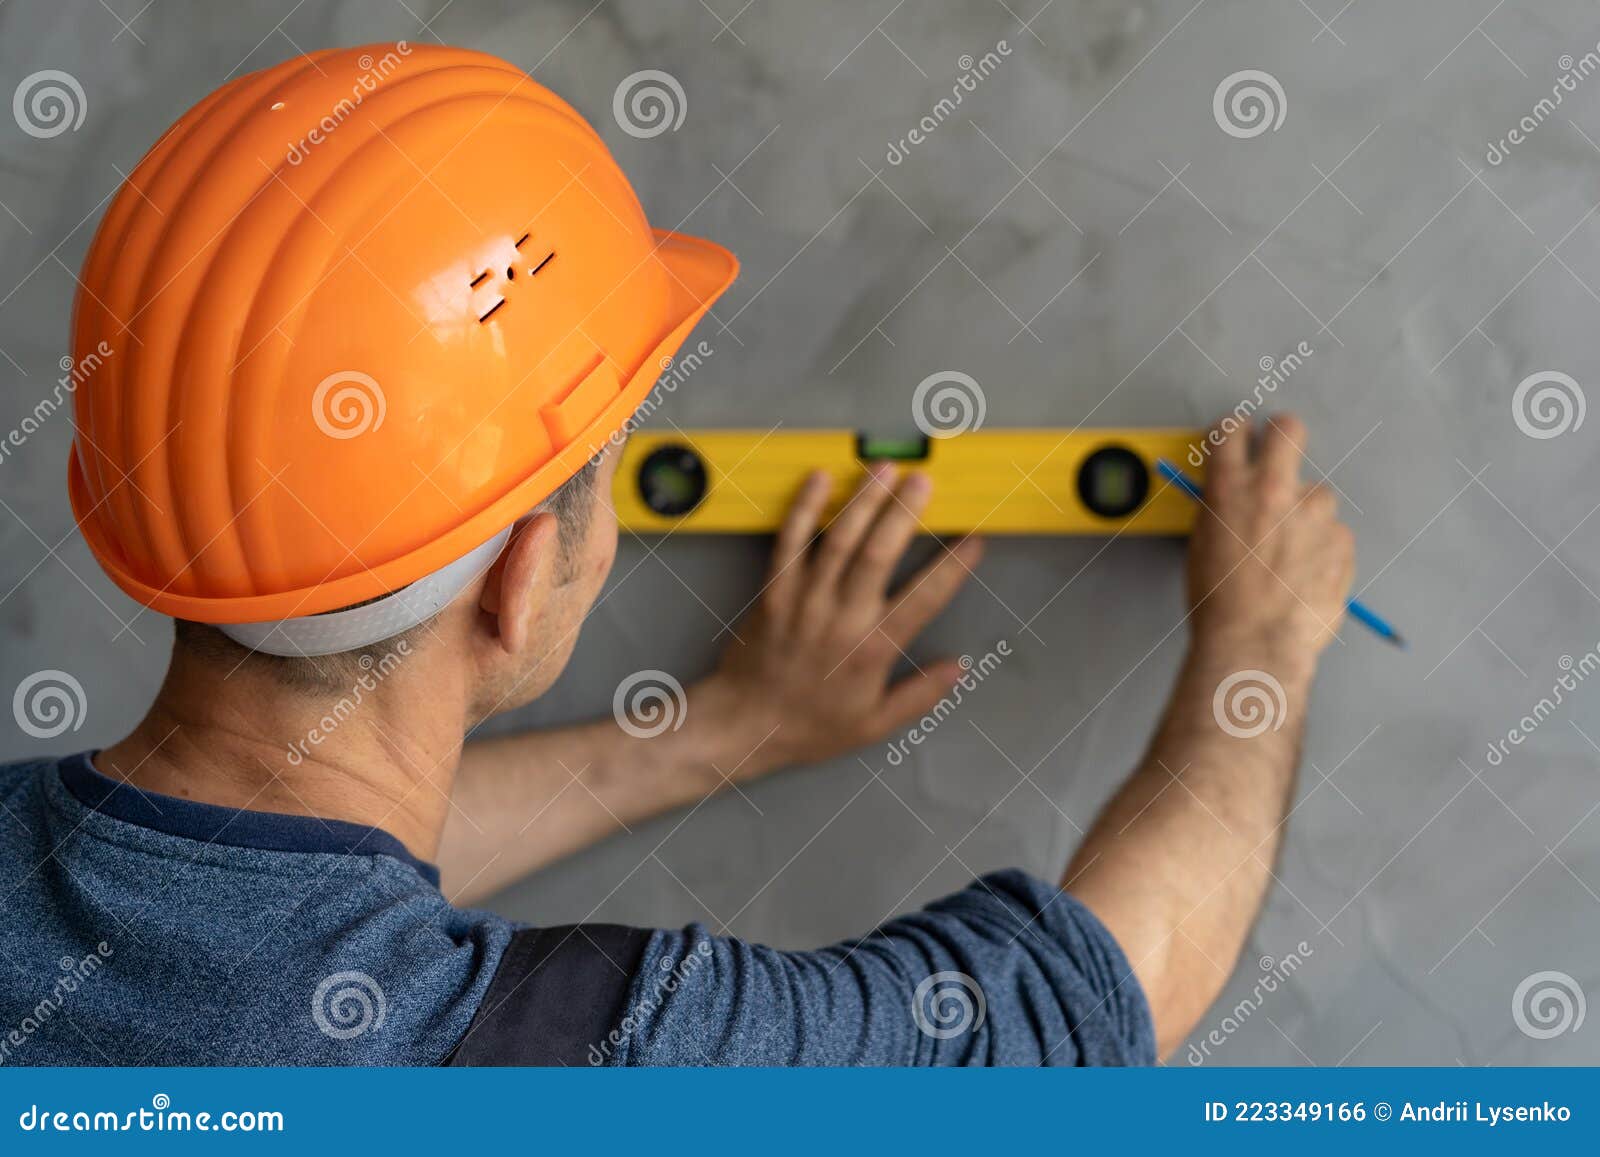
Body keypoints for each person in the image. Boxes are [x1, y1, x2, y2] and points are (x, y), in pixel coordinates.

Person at [0, 44, 1354, 1066]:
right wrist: (1262, 650)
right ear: (528, 572)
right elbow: (1077, 1020)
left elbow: (271, 909)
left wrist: (711, 735)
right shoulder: (595, 1058)